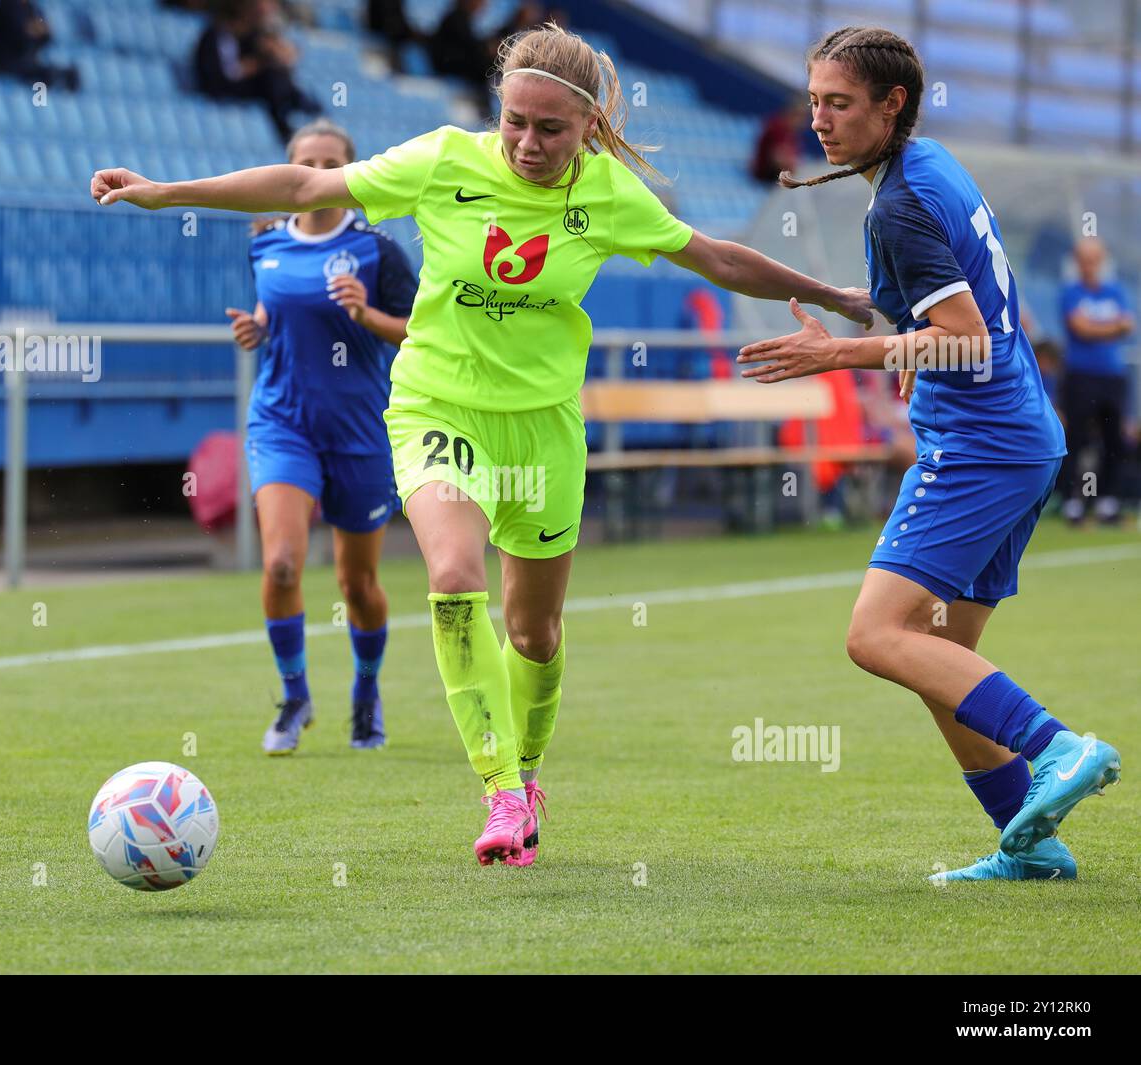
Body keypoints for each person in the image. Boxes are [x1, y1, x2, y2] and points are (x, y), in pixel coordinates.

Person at [92, 21, 873, 867]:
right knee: (455, 577)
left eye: (550, 129)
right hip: (437, 406)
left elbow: (715, 257)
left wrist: (827, 292)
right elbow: (304, 181)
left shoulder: (609, 194)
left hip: (541, 428)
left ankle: (529, 772)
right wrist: (168, 193)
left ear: (587, 128)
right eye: (514, 122)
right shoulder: (444, 159)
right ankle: (500, 786)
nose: (527, 144)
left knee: (534, 632)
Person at [737, 26, 1121, 882]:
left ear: (892, 104)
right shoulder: (930, 162)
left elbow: (969, 339)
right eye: (814, 102)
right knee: (940, 653)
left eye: (840, 104)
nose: (821, 121)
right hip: (1021, 437)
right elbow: (976, 311)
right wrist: (908, 346)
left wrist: (840, 353)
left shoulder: (901, 203)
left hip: (980, 445)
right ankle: (1032, 844)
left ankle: (1060, 747)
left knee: (875, 636)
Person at [226, 119, 417, 754]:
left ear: (350, 174)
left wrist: (368, 315)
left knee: (355, 585)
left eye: (330, 162)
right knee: (281, 562)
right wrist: (256, 329)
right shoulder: (263, 241)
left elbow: (422, 334)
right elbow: (272, 313)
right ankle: (295, 696)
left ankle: (366, 692)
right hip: (283, 422)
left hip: (359, 428)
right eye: (305, 161)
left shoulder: (378, 251)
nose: (315, 172)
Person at [1056, 237, 1134, 525]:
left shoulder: (1115, 291)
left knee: (1114, 440)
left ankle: (1107, 503)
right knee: (1076, 439)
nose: (1089, 266)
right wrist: (1111, 327)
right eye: (1084, 260)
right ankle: (1072, 504)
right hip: (1080, 376)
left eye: (1094, 260)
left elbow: (1127, 324)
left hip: (1112, 376)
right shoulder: (1070, 292)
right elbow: (1081, 328)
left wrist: (1098, 328)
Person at [193, 0, 318, 142]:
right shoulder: (217, 35)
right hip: (219, 87)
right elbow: (227, 73)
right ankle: (289, 121)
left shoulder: (252, 37)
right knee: (271, 76)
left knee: (277, 74)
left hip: (241, 85)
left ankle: (302, 108)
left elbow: (288, 56)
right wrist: (259, 64)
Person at [0, 0, 80, 92]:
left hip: (28, 61)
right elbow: (15, 32)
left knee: (64, 75)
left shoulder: (30, 7)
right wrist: (31, 31)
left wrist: (38, 31)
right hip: (8, 62)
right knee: (44, 77)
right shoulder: (7, 5)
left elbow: (45, 34)